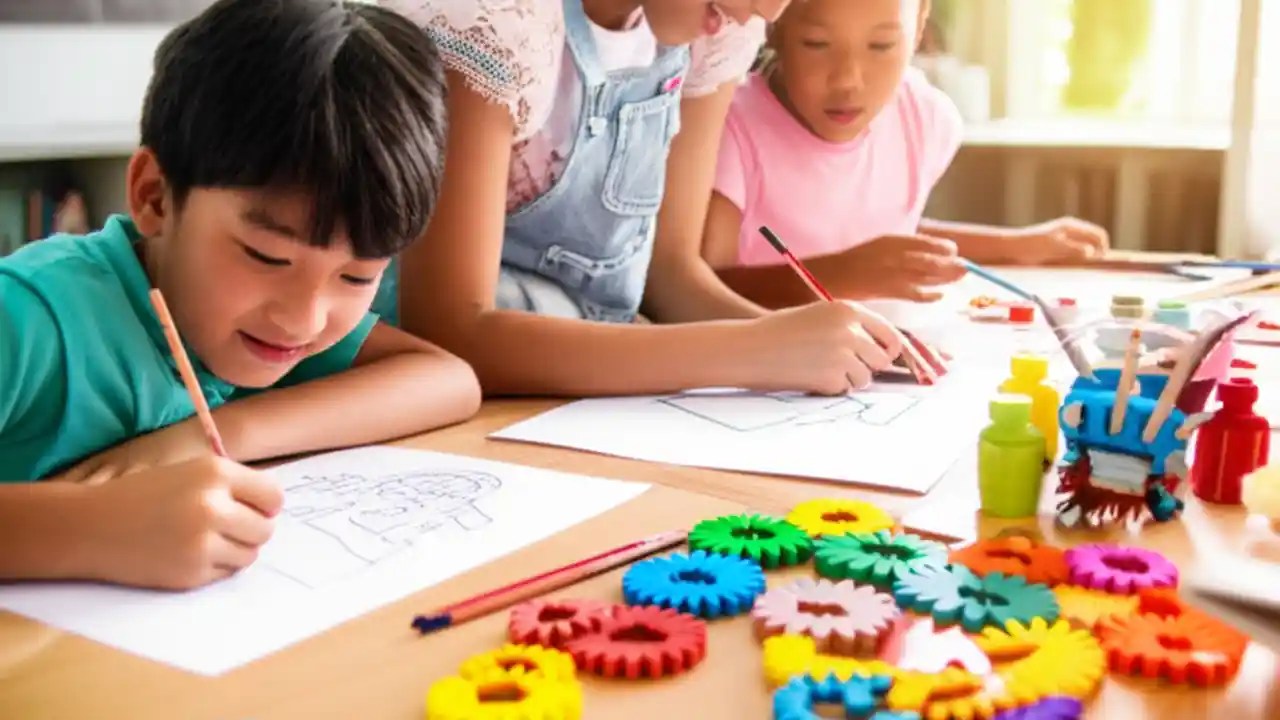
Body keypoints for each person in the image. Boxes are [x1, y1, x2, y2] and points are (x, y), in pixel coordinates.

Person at [0, 0, 480, 591]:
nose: (305, 319)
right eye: (266, 257)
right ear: (154, 197)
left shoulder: (264, 325)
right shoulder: (27, 319)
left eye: (357, 278)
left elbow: (449, 381)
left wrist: (219, 436)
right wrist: (92, 529)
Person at [377, 0, 927, 398]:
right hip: (438, 398)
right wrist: (754, 349)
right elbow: (451, 329)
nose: (770, 11)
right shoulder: (493, 21)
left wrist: (820, 343)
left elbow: (670, 274)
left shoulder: (712, 30)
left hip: (587, 403)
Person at [703, 0, 1111, 308]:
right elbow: (698, 289)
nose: (848, 79)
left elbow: (881, 239)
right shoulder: (730, 128)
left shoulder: (922, 117)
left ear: (918, 27)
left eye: (880, 46)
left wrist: (1016, 245)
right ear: (773, 24)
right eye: (817, 44)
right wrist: (843, 275)